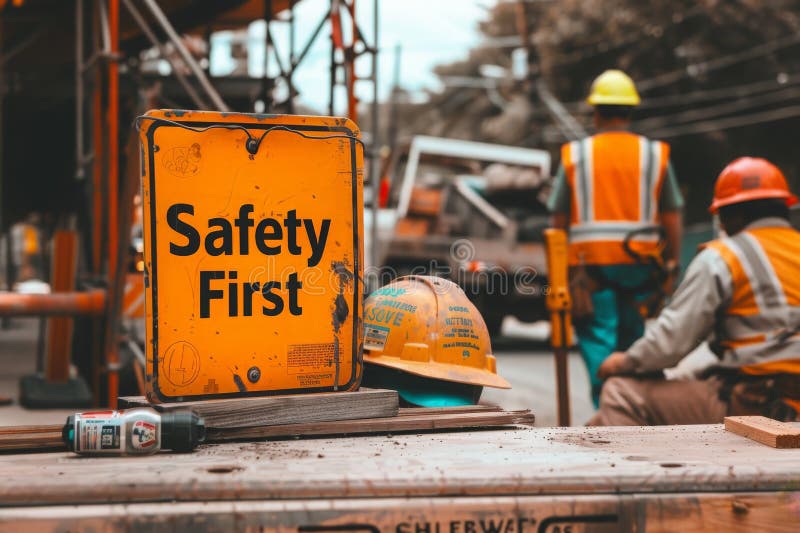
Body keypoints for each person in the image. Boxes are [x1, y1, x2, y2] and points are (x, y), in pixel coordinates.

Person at [590, 157, 800, 425]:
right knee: (691, 378)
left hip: (760, 403)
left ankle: (630, 468)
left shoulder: (725, 257)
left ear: (732, 214)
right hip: (777, 395)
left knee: (621, 393)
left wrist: (623, 362)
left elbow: (671, 343)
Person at [547, 70, 684, 405]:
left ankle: (608, 406)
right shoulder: (653, 155)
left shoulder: (576, 156)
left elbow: (558, 221)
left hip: (590, 271)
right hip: (641, 270)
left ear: (595, 113)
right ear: (630, 111)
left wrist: (559, 278)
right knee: (634, 343)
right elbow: (672, 217)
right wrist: (671, 265)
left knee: (598, 342)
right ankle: (633, 407)